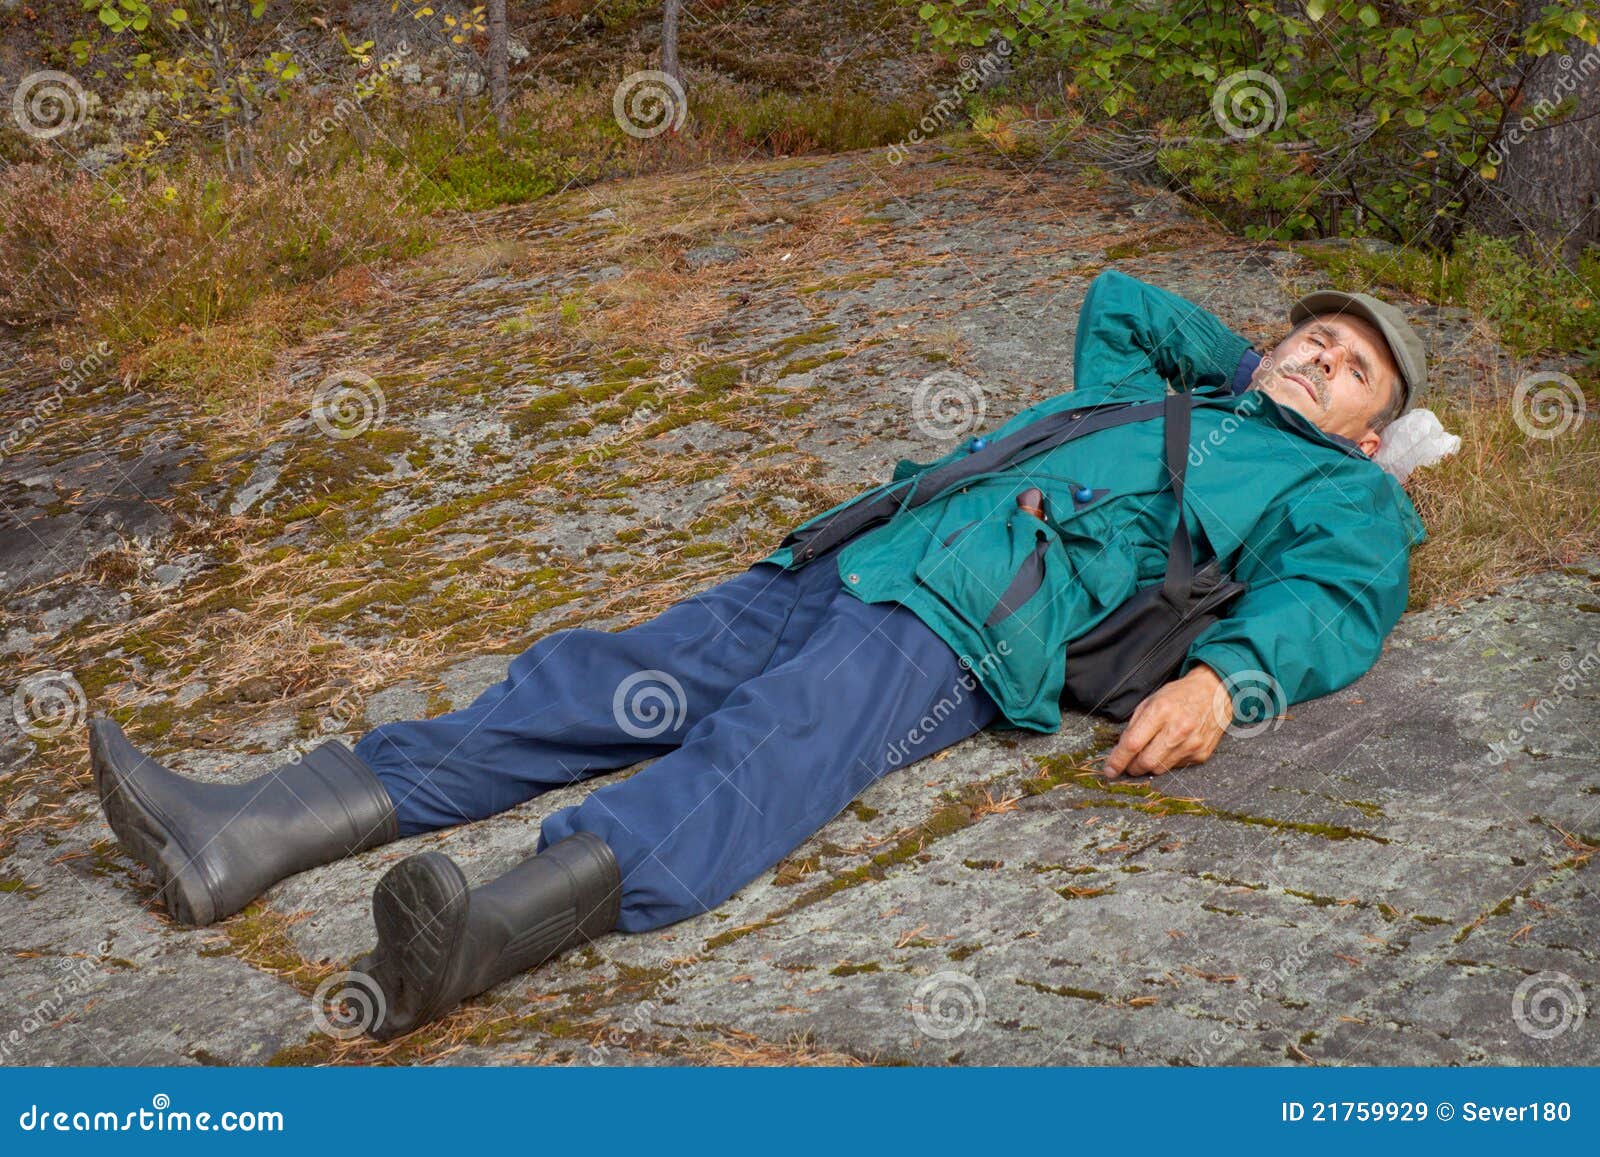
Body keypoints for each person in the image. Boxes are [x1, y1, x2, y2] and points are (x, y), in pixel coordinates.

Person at [85, 269, 1429, 1039]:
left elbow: (1336, 602)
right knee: (587, 679)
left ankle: (483, 936)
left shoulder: (1350, 491)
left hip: (969, 622)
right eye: (1318, 331)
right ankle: (241, 836)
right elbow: (1123, 299)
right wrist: (1260, 361)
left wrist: (1219, 682)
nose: (1326, 353)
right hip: (855, 549)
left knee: (768, 752)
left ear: (1375, 433)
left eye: (1355, 365)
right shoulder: (1168, 385)